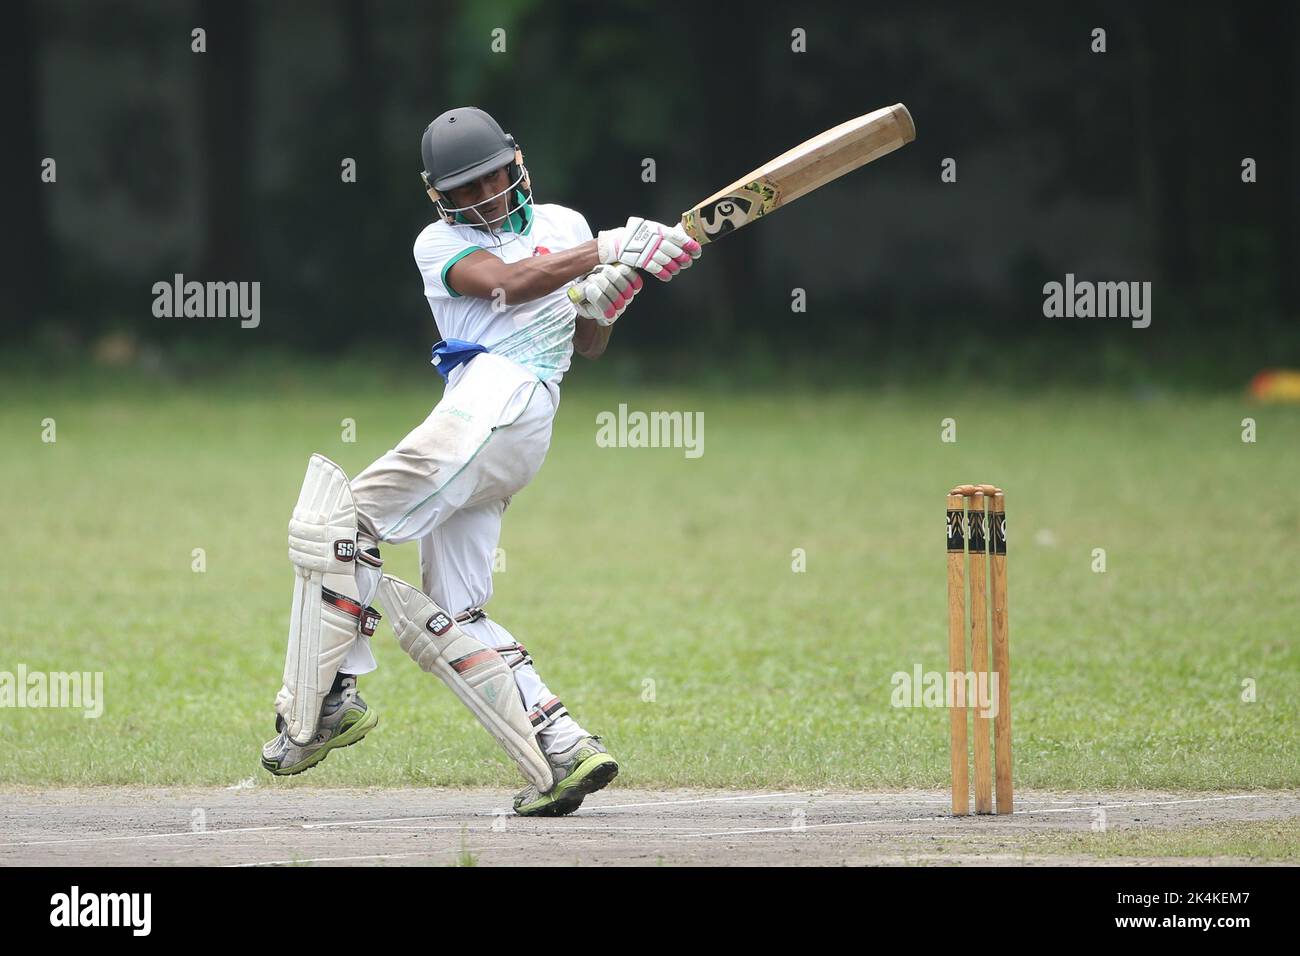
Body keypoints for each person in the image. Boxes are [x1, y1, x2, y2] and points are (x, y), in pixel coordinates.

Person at [260, 106, 702, 816]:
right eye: (463, 190)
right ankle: (559, 745)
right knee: (455, 608)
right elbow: (509, 284)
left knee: (334, 523)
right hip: (485, 418)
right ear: (440, 197)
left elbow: (584, 344)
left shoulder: (564, 225)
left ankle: (328, 702)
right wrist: (610, 253)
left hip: (510, 401)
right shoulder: (437, 243)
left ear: (515, 164)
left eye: (490, 179)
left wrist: (607, 304)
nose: (482, 197)